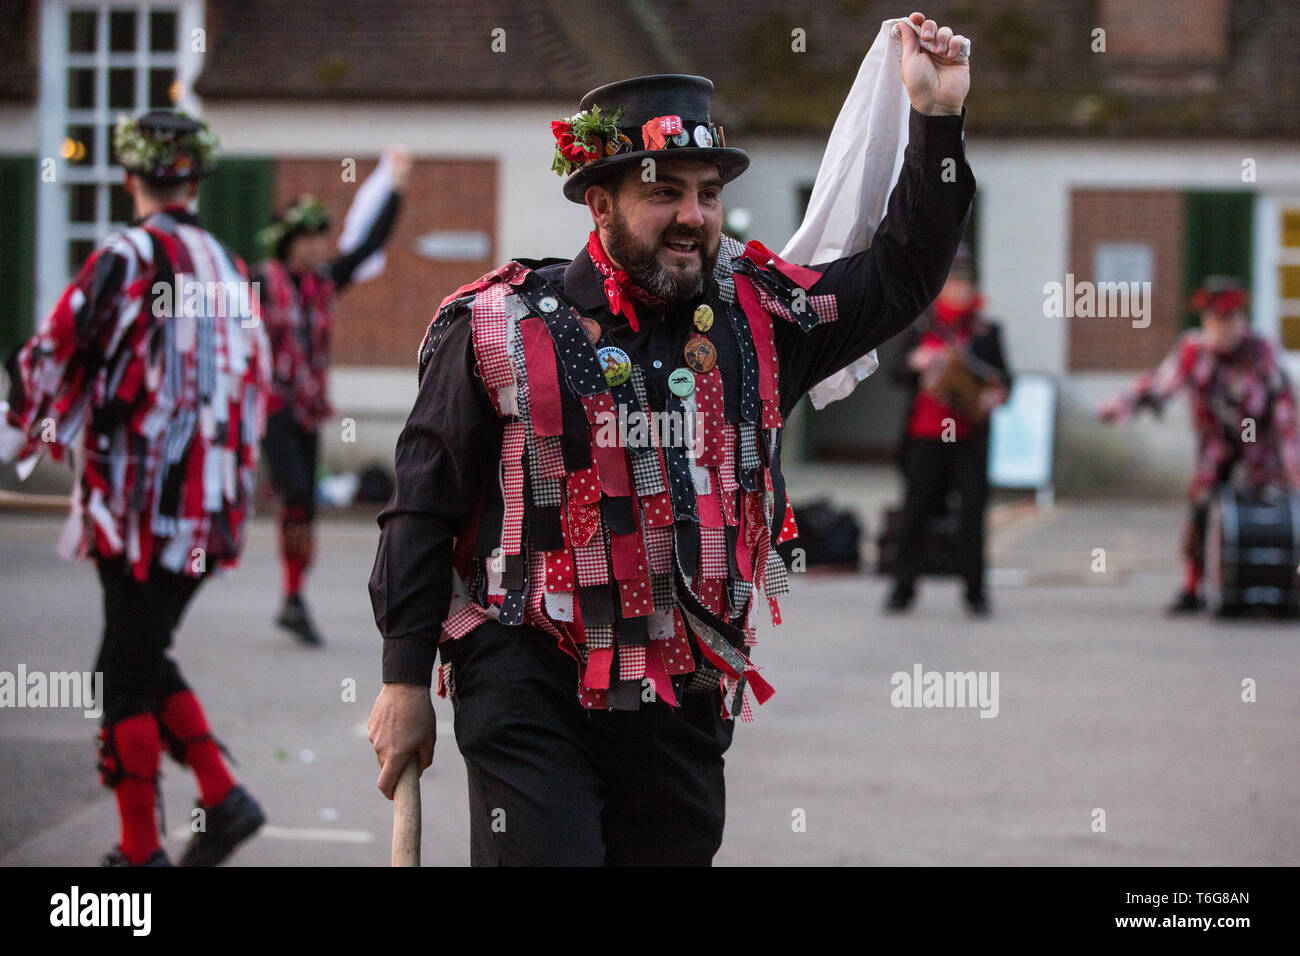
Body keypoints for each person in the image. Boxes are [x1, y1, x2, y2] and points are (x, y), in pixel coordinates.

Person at [367, 11, 974, 865]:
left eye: (708, 194)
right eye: (665, 193)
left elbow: (903, 274)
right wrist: (402, 682)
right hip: (525, 671)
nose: (693, 216)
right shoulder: (493, 326)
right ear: (601, 201)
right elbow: (421, 507)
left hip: (684, 690)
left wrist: (937, 120)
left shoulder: (764, 317)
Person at [0, 110, 270, 866]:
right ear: (197, 176)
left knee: (124, 671)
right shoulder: (228, 264)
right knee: (143, 654)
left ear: (130, 176)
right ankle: (221, 798)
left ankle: (141, 851)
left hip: (141, 506)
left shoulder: (128, 254)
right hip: (212, 508)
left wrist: (22, 425)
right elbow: (256, 384)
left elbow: (54, 349)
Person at [254, 147, 411, 645]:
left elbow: (368, 246)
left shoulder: (324, 283)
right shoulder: (258, 282)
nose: (320, 246)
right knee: (297, 493)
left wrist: (396, 188)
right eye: (310, 238)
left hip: (307, 409)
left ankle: (293, 596)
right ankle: (292, 596)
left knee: (303, 505)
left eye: (323, 237)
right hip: (269, 408)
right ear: (289, 242)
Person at [1099, 277, 1300, 613]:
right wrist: (1122, 405)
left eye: (1230, 320)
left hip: (1256, 440)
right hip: (1216, 444)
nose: (1223, 328)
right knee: (1201, 506)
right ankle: (1192, 587)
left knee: (1274, 512)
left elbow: (1285, 411)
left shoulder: (1262, 352)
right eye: (1215, 320)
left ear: (1241, 319)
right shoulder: (1193, 350)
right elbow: (1160, 385)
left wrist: (1293, 468)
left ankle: (1280, 581)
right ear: (1206, 321)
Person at [886, 244, 1011, 615]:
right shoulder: (924, 325)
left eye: (964, 282)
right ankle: (902, 586)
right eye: (952, 281)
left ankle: (975, 591)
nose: (958, 288)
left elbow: (1006, 382)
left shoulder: (986, 332)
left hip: (968, 437)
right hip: (926, 434)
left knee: (972, 516)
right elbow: (896, 373)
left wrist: (995, 394)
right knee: (915, 511)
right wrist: (916, 362)